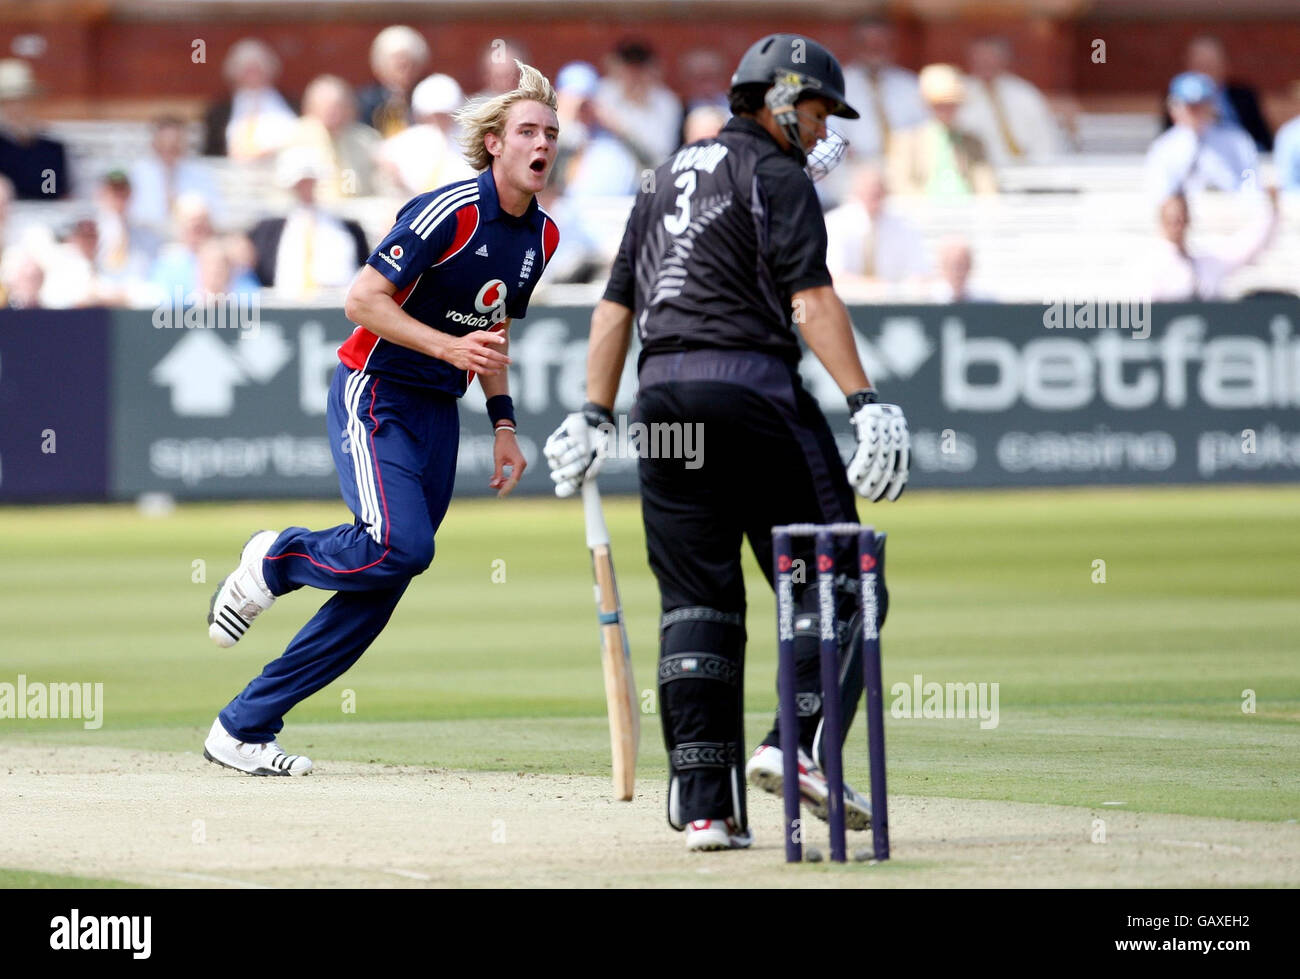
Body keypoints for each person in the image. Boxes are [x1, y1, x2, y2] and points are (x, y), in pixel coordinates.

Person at [544, 34, 910, 852]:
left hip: (663, 404)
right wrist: (865, 401)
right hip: (752, 391)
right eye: (817, 112)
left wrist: (593, 414)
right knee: (844, 578)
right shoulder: (775, 176)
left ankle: (705, 804)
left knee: (697, 602)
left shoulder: (663, 173)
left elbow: (614, 310)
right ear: (779, 101)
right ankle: (801, 747)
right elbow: (810, 300)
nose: (822, 132)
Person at [201, 62, 561, 777]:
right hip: (376, 389)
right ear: (494, 143)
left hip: (438, 408)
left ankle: (242, 726)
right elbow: (362, 300)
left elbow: (490, 330)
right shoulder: (448, 210)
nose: (542, 142)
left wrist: (504, 423)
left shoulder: (542, 238)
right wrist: (444, 345)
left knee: (379, 584)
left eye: (551, 132)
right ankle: (276, 558)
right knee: (400, 547)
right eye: (527, 130)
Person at [247, 148, 369, 300]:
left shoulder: (348, 227)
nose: (306, 187)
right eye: (300, 183)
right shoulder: (267, 230)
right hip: (284, 306)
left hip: (337, 303)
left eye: (310, 181)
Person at [1147, 188, 1279, 301]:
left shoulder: (1205, 261)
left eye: (1182, 219)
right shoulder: (1152, 266)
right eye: (1173, 220)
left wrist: (1270, 211)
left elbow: (1247, 247)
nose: (1178, 226)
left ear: (1189, 219)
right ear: (1162, 222)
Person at [888, 64, 996, 196]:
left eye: (951, 104)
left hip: (968, 211)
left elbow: (985, 182)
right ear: (928, 106)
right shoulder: (908, 140)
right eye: (940, 105)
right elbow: (900, 183)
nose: (946, 110)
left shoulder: (973, 140)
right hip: (924, 211)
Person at [1146, 72, 1257, 200]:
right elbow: (1158, 193)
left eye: (1202, 104)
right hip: (1184, 216)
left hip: (1231, 211)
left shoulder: (1237, 141)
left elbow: (1251, 182)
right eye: (1190, 106)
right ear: (1174, 108)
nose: (1196, 112)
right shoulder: (1164, 147)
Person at [957, 36, 1063, 166]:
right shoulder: (958, 93)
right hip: (979, 170)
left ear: (1003, 60)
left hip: (1026, 168)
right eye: (980, 58)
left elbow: (1044, 137)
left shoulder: (1025, 93)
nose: (985, 62)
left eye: (990, 57)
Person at [824, 163, 929, 294]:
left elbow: (918, 272)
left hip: (893, 301)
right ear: (857, 191)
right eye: (868, 191)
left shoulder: (904, 225)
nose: (873, 196)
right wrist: (875, 287)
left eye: (877, 191)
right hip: (846, 300)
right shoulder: (836, 223)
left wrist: (896, 289)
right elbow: (834, 274)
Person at [1160, 36, 1272, 153]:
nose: (1205, 74)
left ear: (1224, 66)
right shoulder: (1180, 97)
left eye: (1210, 66)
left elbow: (1264, 142)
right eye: (1200, 66)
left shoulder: (1245, 97)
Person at [839, 18, 928, 161]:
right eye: (867, 44)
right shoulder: (838, 84)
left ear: (891, 46)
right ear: (855, 46)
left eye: (880, 43)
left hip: (905, 164)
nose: (874, 49)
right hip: (854, 169)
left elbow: (926, 128)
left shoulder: (910, 84)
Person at [205, 39, 297, 159]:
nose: (253, 75)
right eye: (247, 70)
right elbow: (211, 152)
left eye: (257, 69)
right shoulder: (219, 110)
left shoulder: (293, 103)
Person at [0, 59, 70, 199]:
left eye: (22, 100)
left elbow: (52, 190)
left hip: (45, 216)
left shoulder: (51, 149)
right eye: (9, 102)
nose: (17, 108)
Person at [357, 25, 431, 137]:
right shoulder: (366, 101)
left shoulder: (427, 97)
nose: (404, 64)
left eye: (410, 60)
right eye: (397, 59)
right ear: (381, 63)